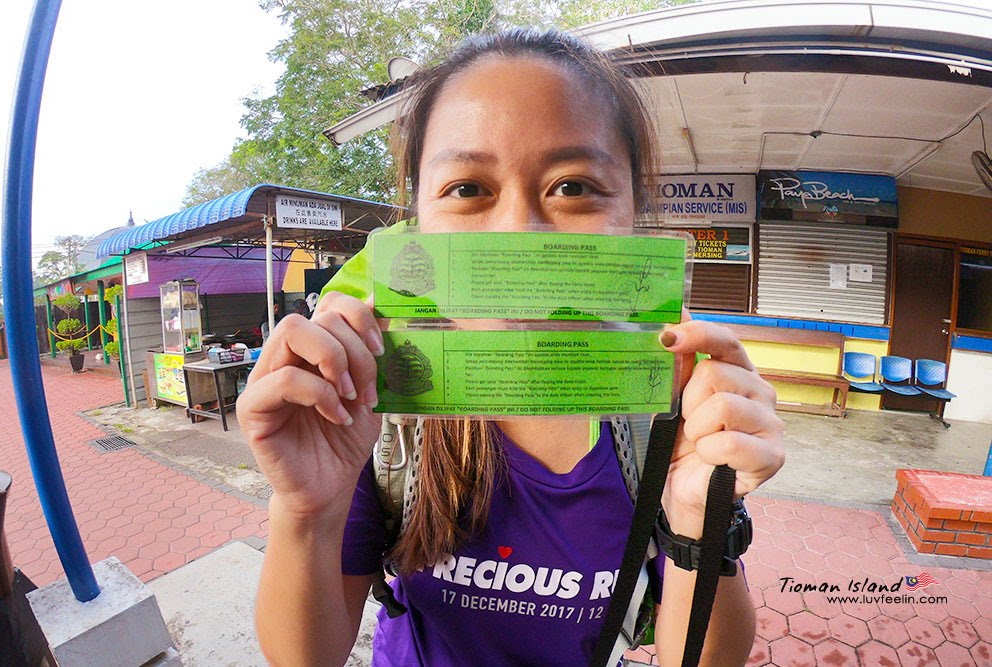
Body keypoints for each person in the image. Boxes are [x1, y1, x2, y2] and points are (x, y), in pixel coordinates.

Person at [238, 28, 784, 667]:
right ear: (416, 218)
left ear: (635, 210)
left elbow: (705, 658)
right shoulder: (375, 410)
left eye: (573, 186)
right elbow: (307, 658)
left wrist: (699, 513)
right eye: (467, 189)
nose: (519, 228)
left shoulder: (666, 413)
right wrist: (304, 509)